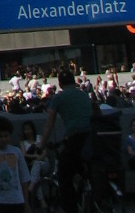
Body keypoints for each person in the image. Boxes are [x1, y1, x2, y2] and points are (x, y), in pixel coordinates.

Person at [38, 70, 93, 213]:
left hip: (75, 137)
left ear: (60, 84)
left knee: (64, 174)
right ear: (74, 81)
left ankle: (71, 209)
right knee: (82, 167)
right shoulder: (83, 94)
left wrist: (41, 144)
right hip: (92, 136)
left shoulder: (58, 98)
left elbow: (50, 123)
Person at [0, 119, 30, 213]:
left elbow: (24, 178)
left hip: (17, 200)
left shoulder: (17, 152)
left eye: (6, 136)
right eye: (0, 136)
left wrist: (26, 202)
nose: (4, 139)